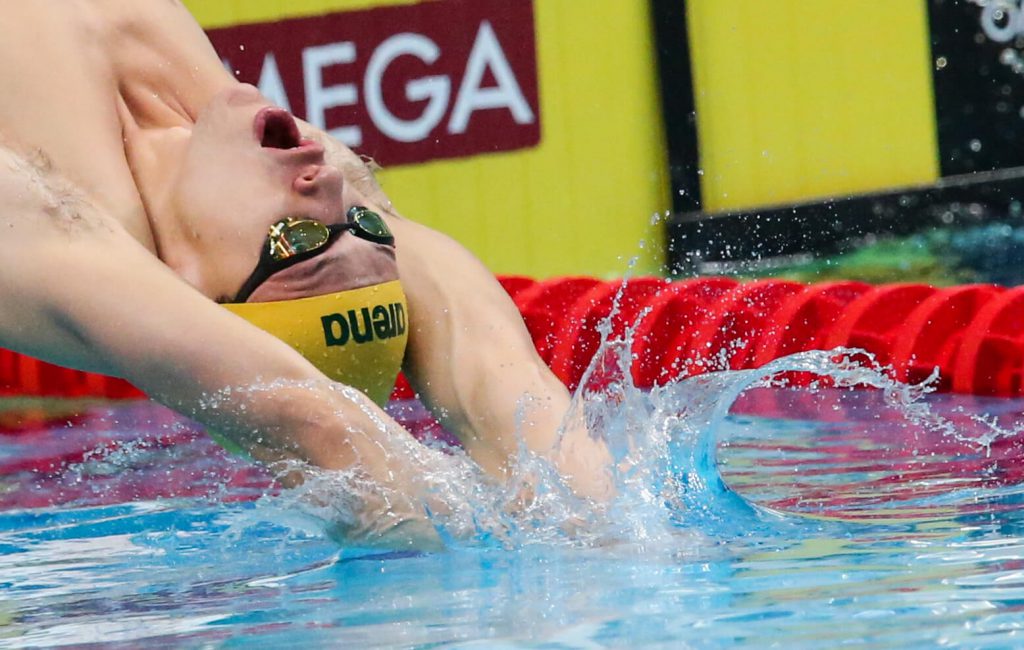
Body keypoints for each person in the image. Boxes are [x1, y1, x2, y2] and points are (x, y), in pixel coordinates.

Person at [0, 1, 612, 544]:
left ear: (194, 294)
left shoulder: (45, 223)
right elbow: (501, 382)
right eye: (365, 228)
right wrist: (605, 536)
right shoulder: (277, 164)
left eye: (299, 239)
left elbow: (319, 426)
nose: (325, 188)